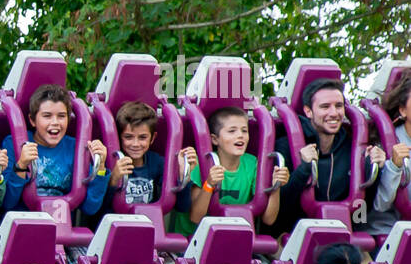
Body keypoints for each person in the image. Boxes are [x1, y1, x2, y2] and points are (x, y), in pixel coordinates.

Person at [270, 78, 398, 239]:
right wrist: (303, 169)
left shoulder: (351, 149)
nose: (334, 113)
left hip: (341, 236)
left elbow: (362, 213)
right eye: (325, 107)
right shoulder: (285, 146)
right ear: (308, 111)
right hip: (290, 237)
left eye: (338, 106)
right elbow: (278, 210)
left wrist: (372, 171)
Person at [173, 107, 289, 238]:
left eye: (244, 131)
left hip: (233, 236)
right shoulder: (200, 164)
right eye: (232, 131)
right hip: (193, 238)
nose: (240, 135)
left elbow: (268, 219)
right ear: (215, 139)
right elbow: (195, 217)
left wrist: (276, 186)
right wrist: (209, 184)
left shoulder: (252, 164)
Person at [1, 83, 109, 219]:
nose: (55, 122)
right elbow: (7, 202)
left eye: (61, 116)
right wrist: (21, 166)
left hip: (61, 226)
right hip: (22, 222)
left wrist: (100, 167)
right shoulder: (14, 143)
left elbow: (90, 207)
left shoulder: (76, 147)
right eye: (47, 116)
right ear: (32, 120)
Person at [107, 101, 196, 209]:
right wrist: (113, 180)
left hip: (148, 220)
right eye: (128, 137)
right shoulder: (111, 162)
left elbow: (182, 207)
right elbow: (98, 210)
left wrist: (183, 176)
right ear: (119, 137)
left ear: (152, 138)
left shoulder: (157, 163)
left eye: (142, 137)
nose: (135, 144)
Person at [365, 74, 411, 239]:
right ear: (402, 110)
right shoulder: (385, 144)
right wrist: (395, 166)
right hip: (388, 233)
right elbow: (380, 204)